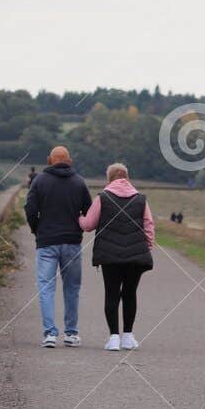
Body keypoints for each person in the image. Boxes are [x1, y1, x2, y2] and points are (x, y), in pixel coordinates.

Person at [79, 163, 155, 351]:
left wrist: (78, 217)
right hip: (135, 256)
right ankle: (128, 337)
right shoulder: (140, 199)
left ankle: (113, 338)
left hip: (109, 256)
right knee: (130, 293)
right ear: (127, 177)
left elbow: (88, 224)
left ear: (109, 178)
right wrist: (147, 246)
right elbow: (149, 225)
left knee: (111, 294)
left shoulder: (102, 198)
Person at [24, 146, 91, 348]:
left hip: (46, 242)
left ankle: (50, 334)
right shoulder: (79, 182)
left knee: (46, 288)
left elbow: (30, 208)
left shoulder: (39, 181)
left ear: (49, 160)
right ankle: (71, 333)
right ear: (69, 161)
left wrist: (37, 230)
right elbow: (88, 211)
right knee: (72, 289)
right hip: (72, 242)